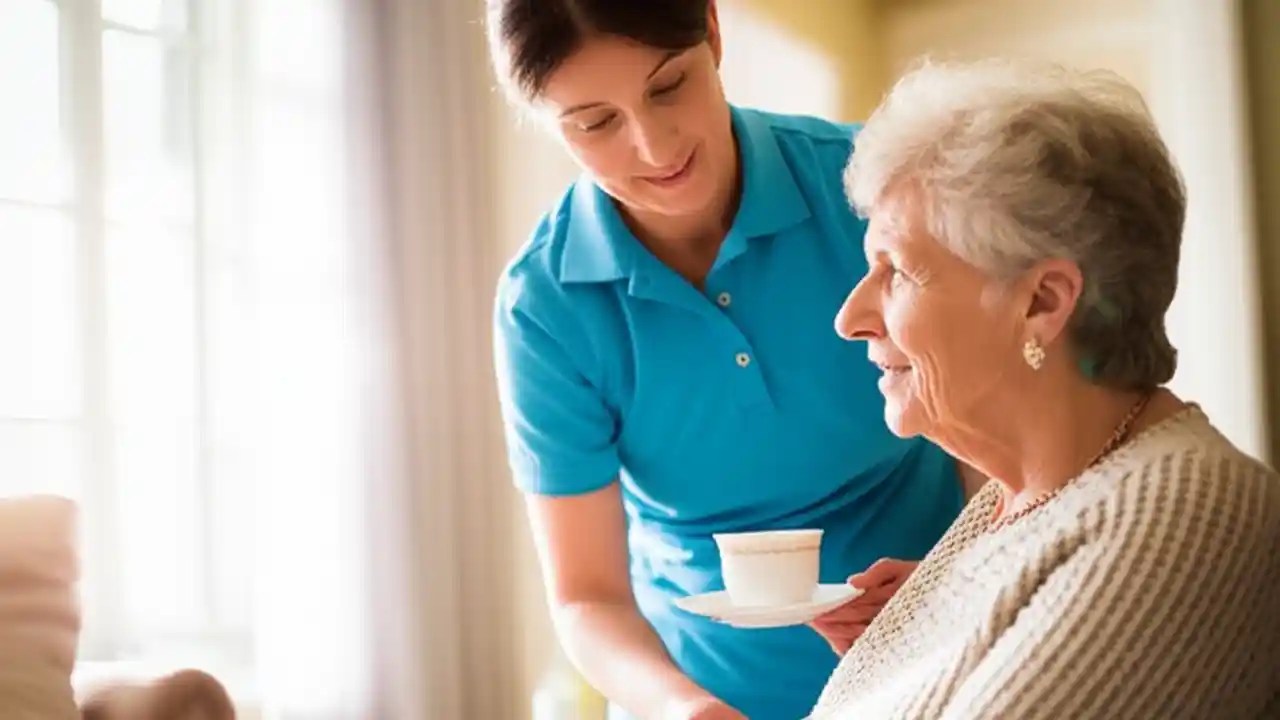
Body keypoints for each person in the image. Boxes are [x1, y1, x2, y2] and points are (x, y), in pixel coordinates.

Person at [486, 2, 974, 717]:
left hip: (941, 671)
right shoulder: (544, 308)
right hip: (705, 694)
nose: (654, 147)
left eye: (667, 86)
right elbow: (587, 598)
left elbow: (1005, 451)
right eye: (596, 123)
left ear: (712, 29)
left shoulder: (869, 187)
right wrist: (689, 711)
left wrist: (957, 581)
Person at [808, 58, 1280, 718]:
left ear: (1043, 302)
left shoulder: (1184, 511)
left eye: (898, 273)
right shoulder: (1018, 504)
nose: (850, 318)